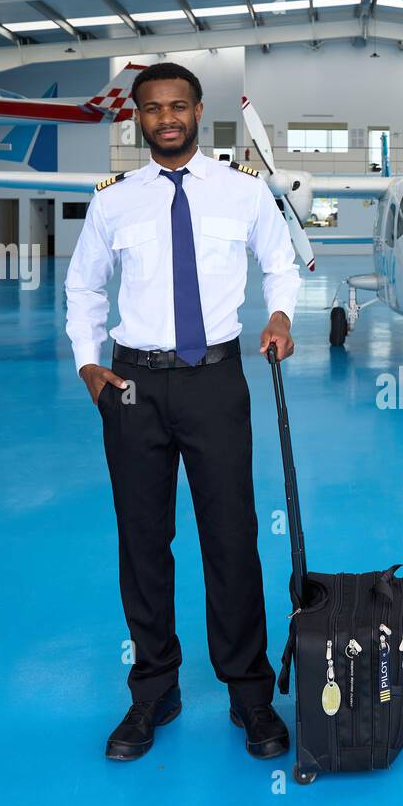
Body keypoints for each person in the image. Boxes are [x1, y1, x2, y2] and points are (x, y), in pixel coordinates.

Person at [65, 62, 302, 762]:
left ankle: (250, 694)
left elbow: (280, 263)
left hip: (216, 380)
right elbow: (84, 289)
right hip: (132, 384)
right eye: (151, 108)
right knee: (143, 543)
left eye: (177, 106)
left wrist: (281, 314)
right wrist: (89, 366)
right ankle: (153, 690)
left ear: (199, 111)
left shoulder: (244, 193)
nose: (166, 118)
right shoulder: (113, 202)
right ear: (137, 117)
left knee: (231, 537)